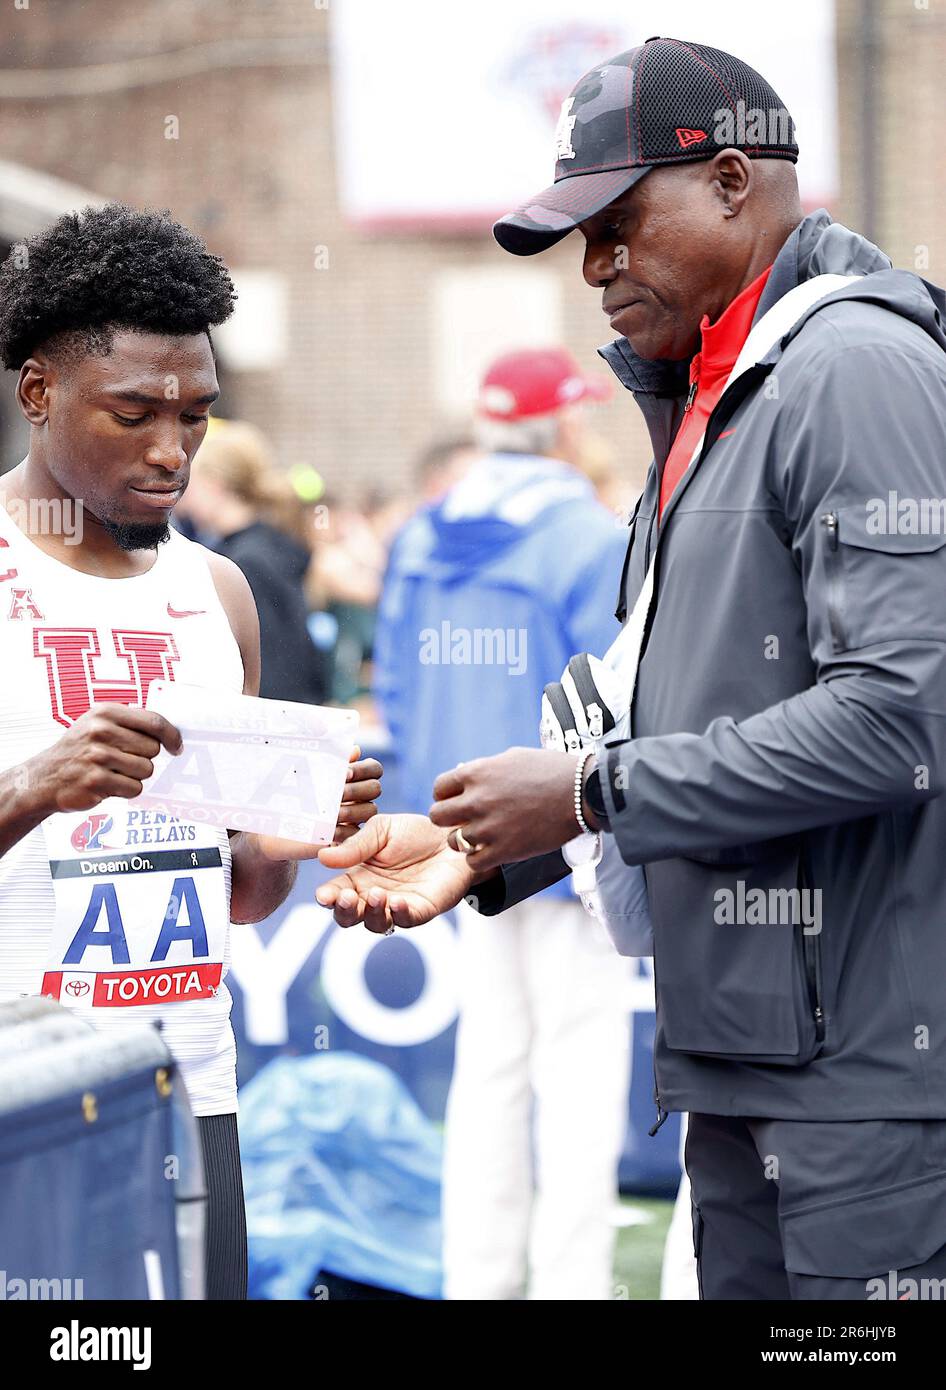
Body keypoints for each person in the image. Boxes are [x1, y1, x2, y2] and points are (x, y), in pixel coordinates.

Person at [316, 37, 946, 1301]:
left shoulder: (855, 367)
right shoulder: (712, 394)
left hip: (868, 1087)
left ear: (728, 182)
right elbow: (699, 712)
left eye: (614, 224)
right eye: (581, 237)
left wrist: (593, 793)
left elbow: (901, 720)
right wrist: (495, 845)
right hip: (753, 1062)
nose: (594, 267)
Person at [0, 203, 382, 1300]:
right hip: (22, 1098)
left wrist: (299, 837)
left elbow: (241, 892)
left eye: (197, 417)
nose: (171, 450)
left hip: (188, 1086)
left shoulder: (217, 591)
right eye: (132, 414)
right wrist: (32, 787)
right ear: (39, 392)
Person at [374, 351, 630, 1300]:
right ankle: (571, 1288)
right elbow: (612, 701)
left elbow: (394, 691)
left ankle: (479, 1285)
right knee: (577, 1071)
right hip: (561, 834)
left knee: (488, 1072)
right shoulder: (586, 532)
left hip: (452, 839)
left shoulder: (423, 528)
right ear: (563, 428)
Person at [174, 418, 329, 705]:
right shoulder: (269, 545)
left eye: (191, 483)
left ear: (216, 486)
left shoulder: (245, 563)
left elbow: (271, 667)